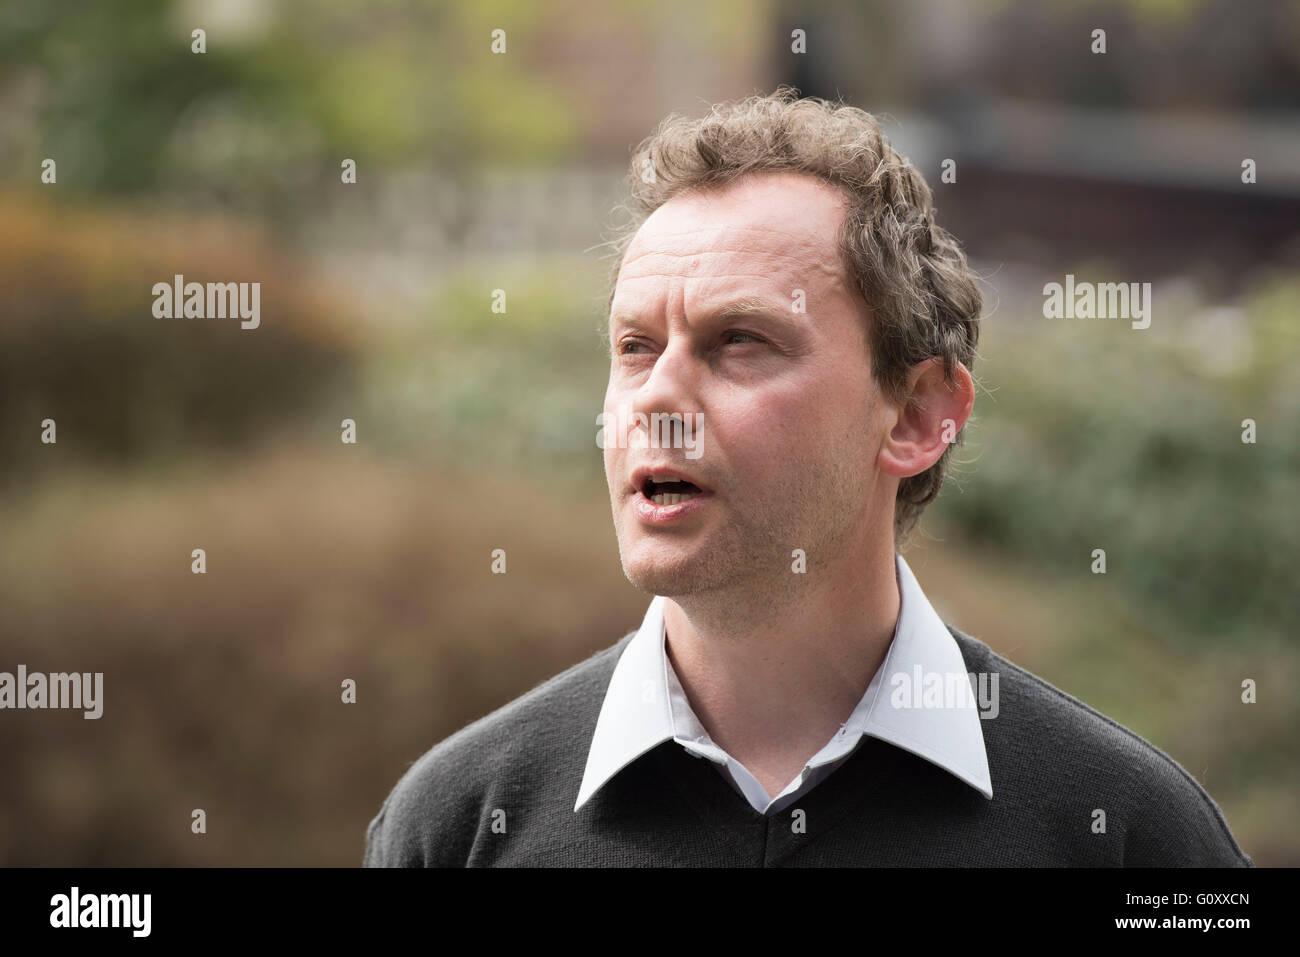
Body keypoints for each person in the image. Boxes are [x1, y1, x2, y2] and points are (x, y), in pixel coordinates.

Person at [363, 88, 1251, 867]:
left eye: (738, 341)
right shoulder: (457, 826)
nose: (655, 398)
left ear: (915, 415)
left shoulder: (1133, 835)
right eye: (635, 347)